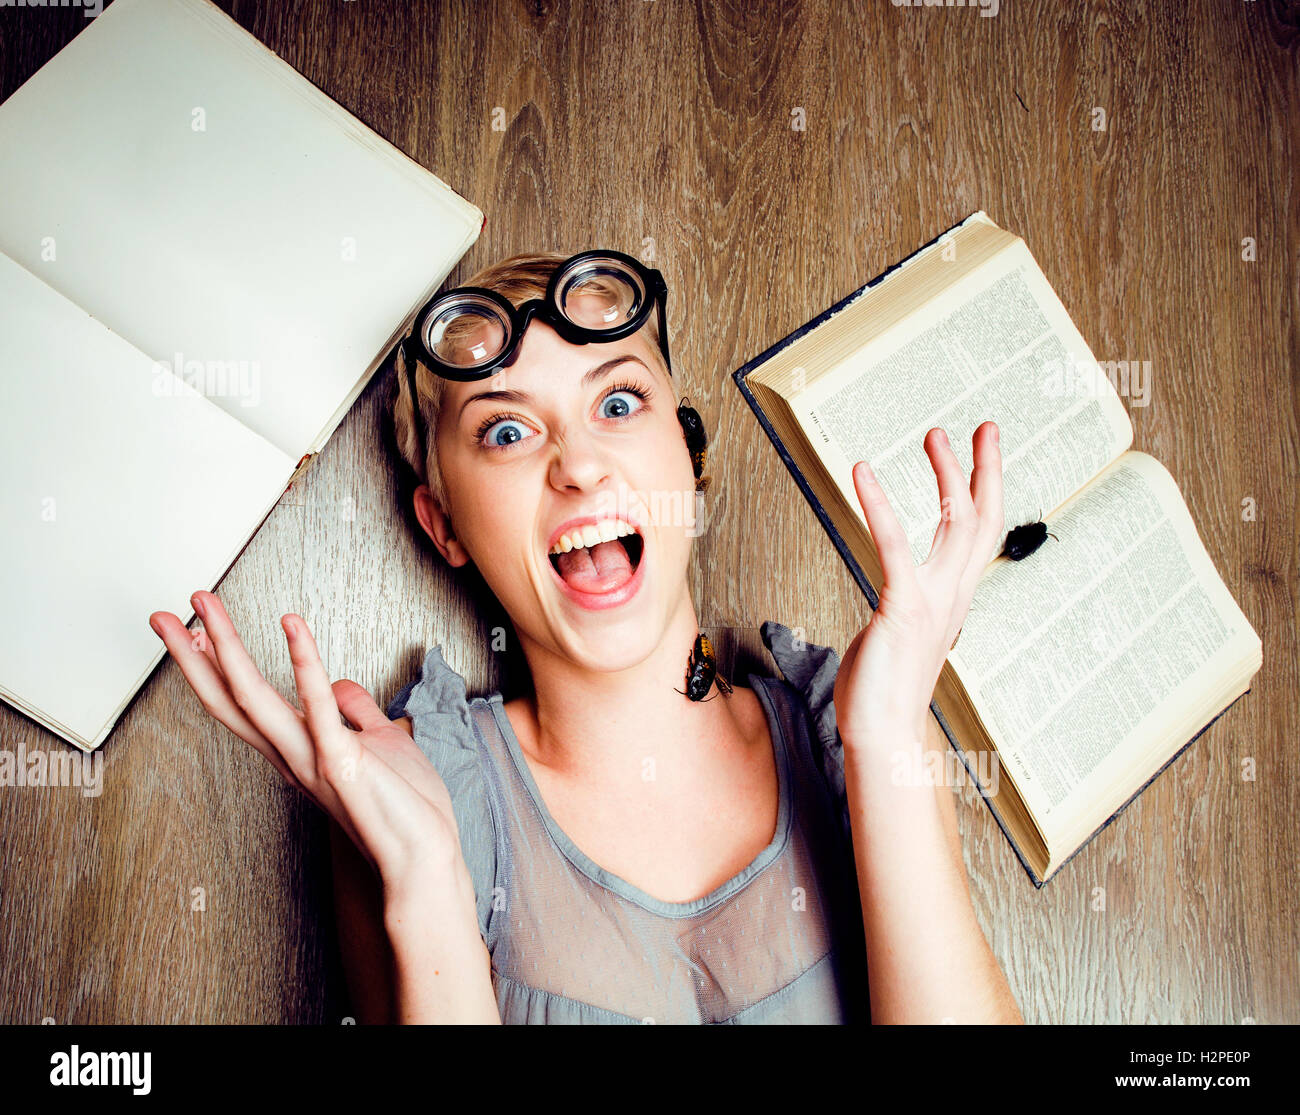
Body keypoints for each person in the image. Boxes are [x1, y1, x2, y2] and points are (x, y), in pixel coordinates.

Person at [149, 249, 1022, 1024]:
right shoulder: (410, 792)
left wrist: (888, 742)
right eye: (505, 429)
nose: (578, 462)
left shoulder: (854, 737)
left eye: (616, 400)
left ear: (687, 458)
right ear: (442, 522)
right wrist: (427, 882)